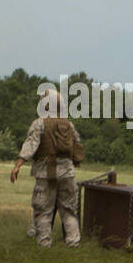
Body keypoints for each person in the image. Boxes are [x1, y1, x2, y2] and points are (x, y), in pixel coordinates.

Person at [10, 87, 84, 247]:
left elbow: (30, 145)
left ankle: (44, 244)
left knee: (43, 210)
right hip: (68, 173)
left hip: (46, 173)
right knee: (69, 211)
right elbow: (78, 147)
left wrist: (18, 166)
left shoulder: (39, 123)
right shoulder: (69, 125)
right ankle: (73, 243)